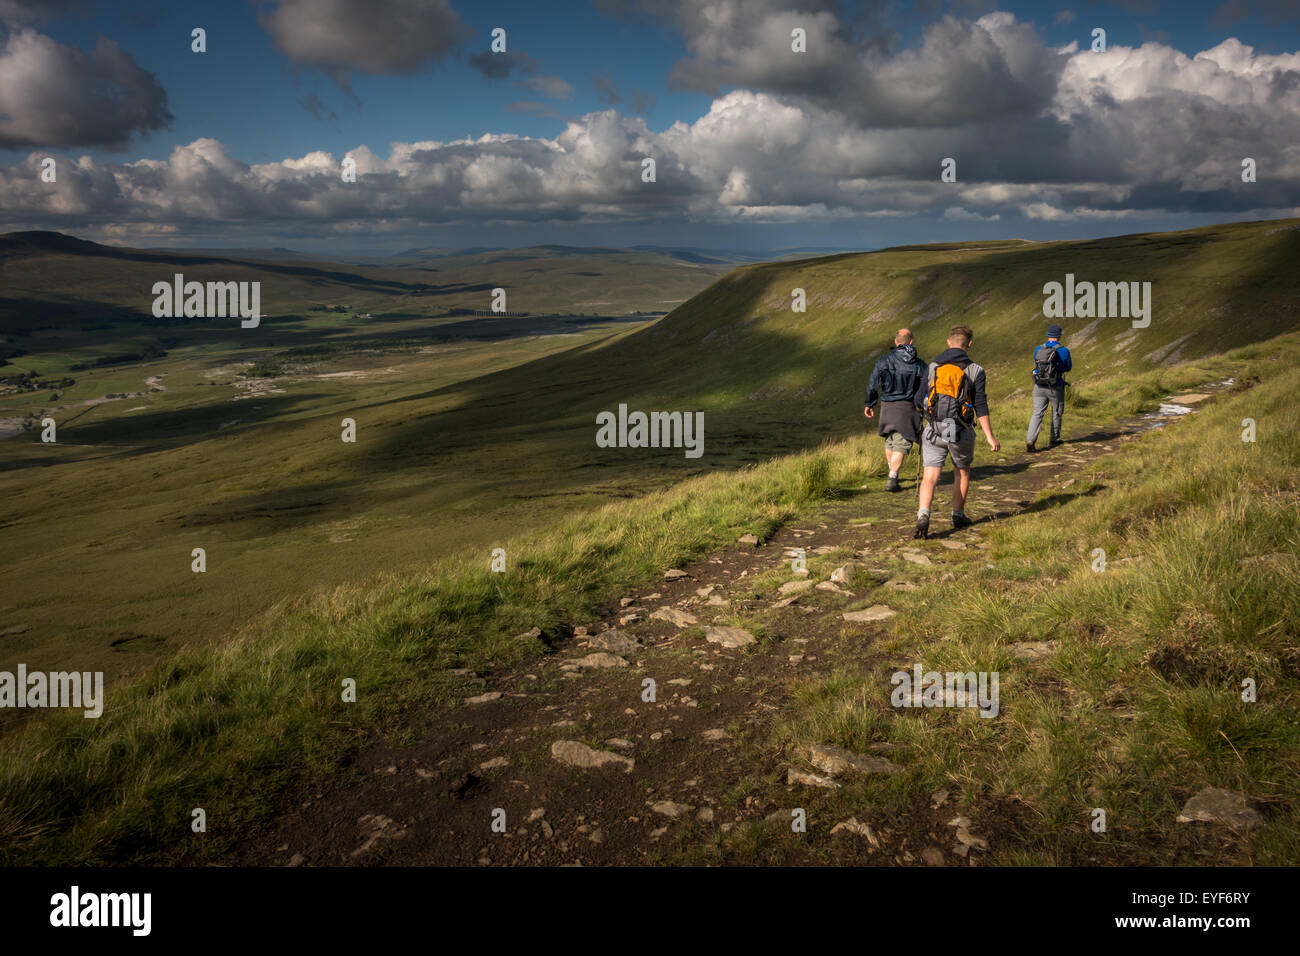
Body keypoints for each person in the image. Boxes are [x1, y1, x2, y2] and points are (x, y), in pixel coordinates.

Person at [913, 324, 1000, 539]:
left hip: (934, 429)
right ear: (969, 344)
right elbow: (980, 405)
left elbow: (917, 400)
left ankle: (923, 513)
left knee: (930, 475)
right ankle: (957, 515)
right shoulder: (976, 370)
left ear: (948, 342)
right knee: (961, 471)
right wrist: (990, 436)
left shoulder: (933, 366)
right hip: (960, 430)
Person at [863, 328, 927, 492]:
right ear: (911, 341)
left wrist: (870, 403)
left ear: (895, 342)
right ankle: (892, 478)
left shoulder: (884, 361)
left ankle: (893, 474)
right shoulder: (919, 364)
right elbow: (926, 387)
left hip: (887, 405)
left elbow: (873, 383)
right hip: (908, 407)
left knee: (891, 439)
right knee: (902, 442)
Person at [1026, 324, 1072, 452]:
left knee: (1037, 413)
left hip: (1039, 385)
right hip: (1055, 386)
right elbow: (1068, 368)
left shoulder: (1038, 349)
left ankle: (1030, 440)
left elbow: (1037, 364)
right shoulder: (1064, 351)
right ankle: (1054, 439)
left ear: (1048, 336)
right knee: (1056, 412)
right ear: (1059, 336)